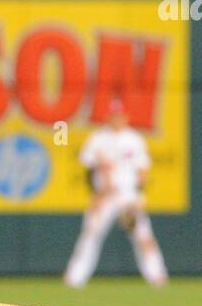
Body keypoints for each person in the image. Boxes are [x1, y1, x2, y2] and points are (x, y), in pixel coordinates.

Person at [64, 100, 167, 288]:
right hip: (104, 197)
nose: (117, 119)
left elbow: (142, 171)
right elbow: (88, 170)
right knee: (91, 235)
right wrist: (94, 195)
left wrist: (139, 197)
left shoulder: (134, 139)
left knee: (144, 236)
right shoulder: (97, 139)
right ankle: (74, 279)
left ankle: (157, 277)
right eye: (114, 115)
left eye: (120, 115)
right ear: (108, 117)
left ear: (126, 117)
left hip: (128, 196)